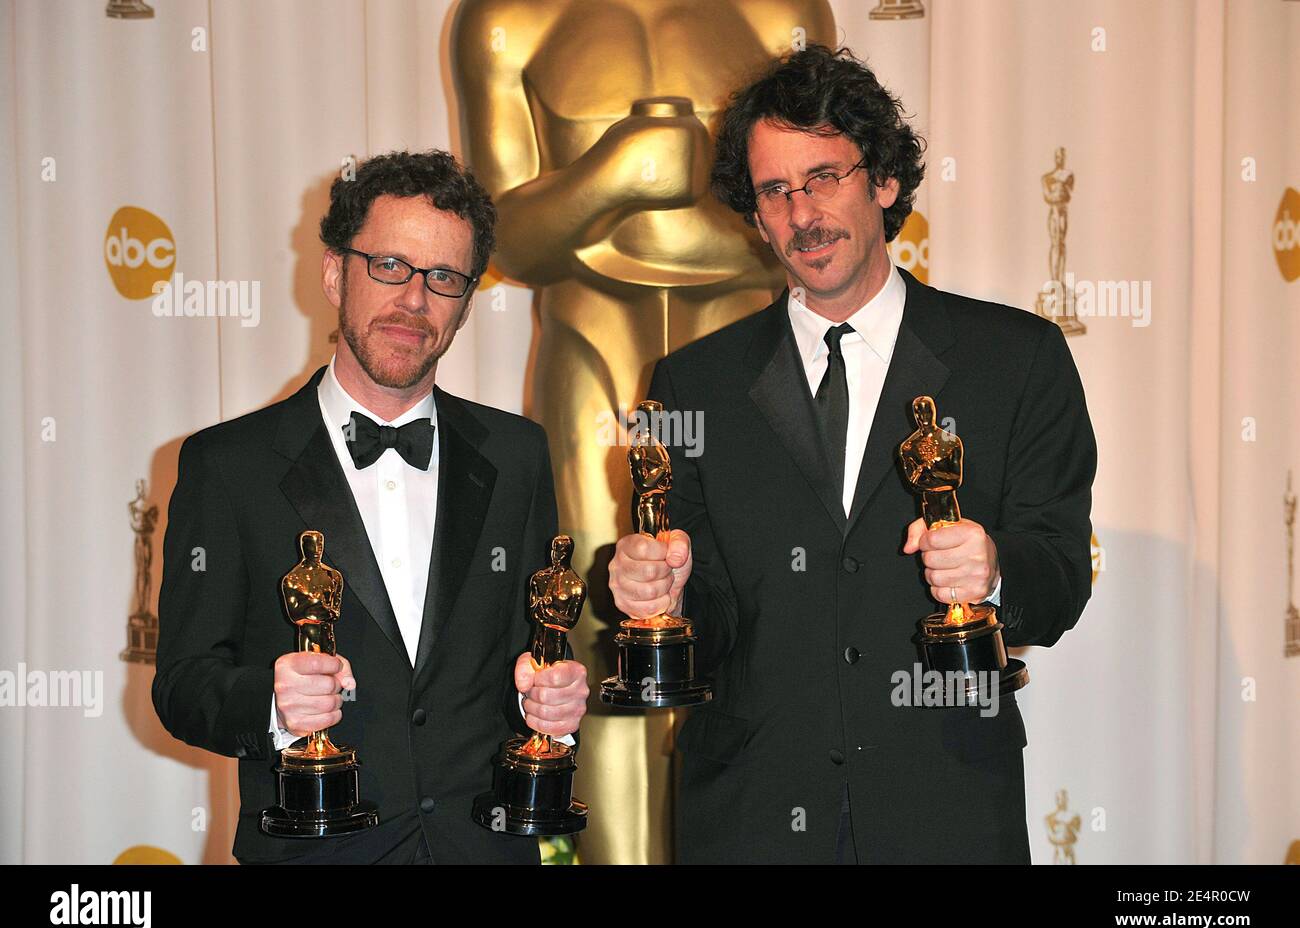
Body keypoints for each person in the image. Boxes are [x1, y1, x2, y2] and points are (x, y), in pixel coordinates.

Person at [608, 46, 1097, 863]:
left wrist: (994, 570)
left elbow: (1060, 575)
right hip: (749, 820)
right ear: (755, 213)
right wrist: (660, 594)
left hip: (944, 813)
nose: (802, 213)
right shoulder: (692, 382)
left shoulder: (1016, 359)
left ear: (885, 182)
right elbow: (711, 620)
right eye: (775, 190)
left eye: (825, 176)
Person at [153, 150, 588, 864]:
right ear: (334, 273)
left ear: (467, 301)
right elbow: (182, 685)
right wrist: (271, 703)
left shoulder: (518, 456)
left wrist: (559, 708)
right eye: (389, 266)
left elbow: (538, 649)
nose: (414, 301)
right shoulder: (227, 465)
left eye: (443, 278)